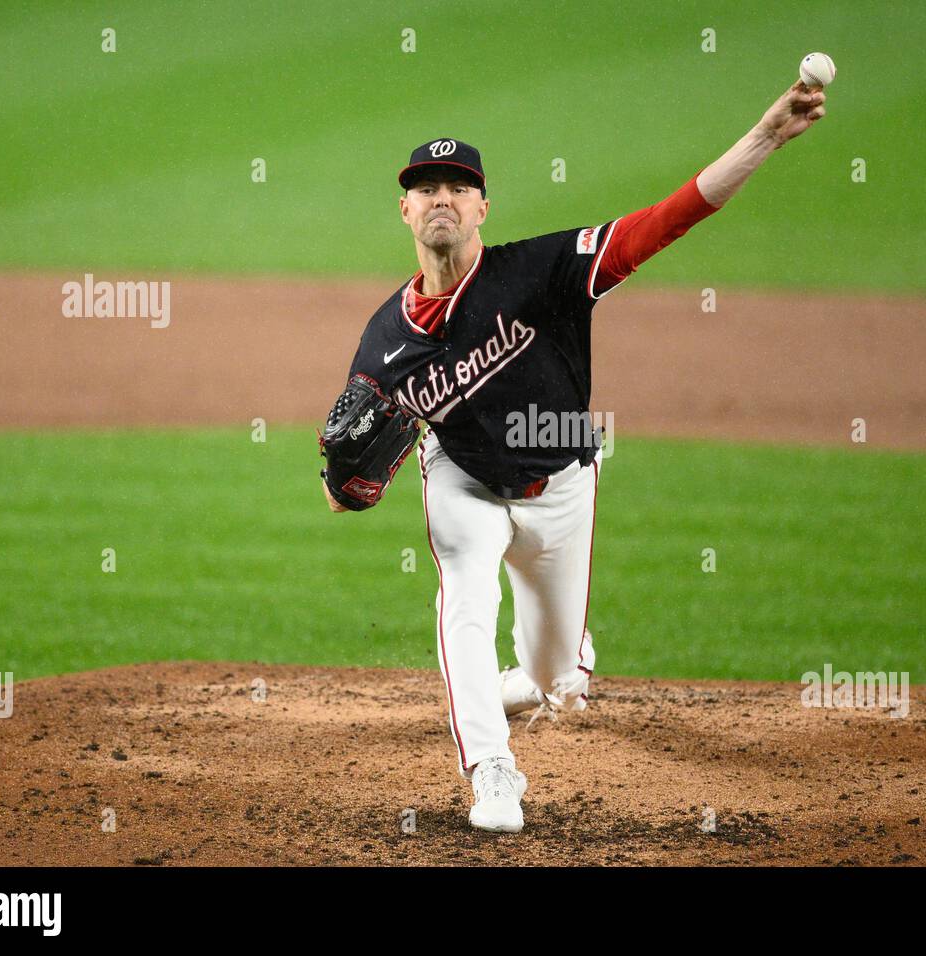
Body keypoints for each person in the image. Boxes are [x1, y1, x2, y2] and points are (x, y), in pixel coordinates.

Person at [325, 81, 827, 832]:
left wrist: (764, 137)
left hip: (561, 483)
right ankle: (493, 772)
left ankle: (534, 678)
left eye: (458, 189)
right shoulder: (382, 343)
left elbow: (666, 220)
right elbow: (346, 481)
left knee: (558, 679)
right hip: (463, 480)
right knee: (465, 592)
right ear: (404, 209)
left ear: (482, 208)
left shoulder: (545, 270)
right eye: (426, 188)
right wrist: (344, 488)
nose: (441, 200)